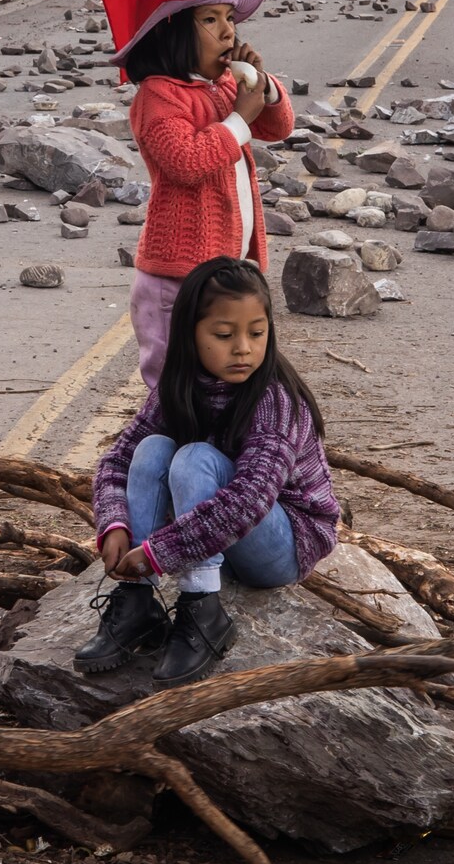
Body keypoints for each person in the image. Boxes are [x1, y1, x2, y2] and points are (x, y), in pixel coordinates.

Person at [77, 257, 340, 685]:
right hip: (220, 540)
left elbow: (248, 501)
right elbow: (116, 462)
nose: (243, 348)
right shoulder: (177, 388)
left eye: (257, 333)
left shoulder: (276, 401)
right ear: (190, 335)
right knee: (151, 447)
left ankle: (203, 608)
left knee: (194, 457)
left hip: (284, 544)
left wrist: (159, 553)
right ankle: (137, 600)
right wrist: (115, 524)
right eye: (224, 334)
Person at [118, 0, 295, 391]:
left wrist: (262, 84)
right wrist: (237, 121)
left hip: (223, 269)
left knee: (223, 377)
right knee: (174, 381)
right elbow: (185, 162)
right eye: (210, 19)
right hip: (175, 277)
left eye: (230, 18)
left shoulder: (224, 87)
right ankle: (167, 446)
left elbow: (278, 126)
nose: (228, 31)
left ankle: (213, 445)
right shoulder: (159, 97)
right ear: (173, 32)